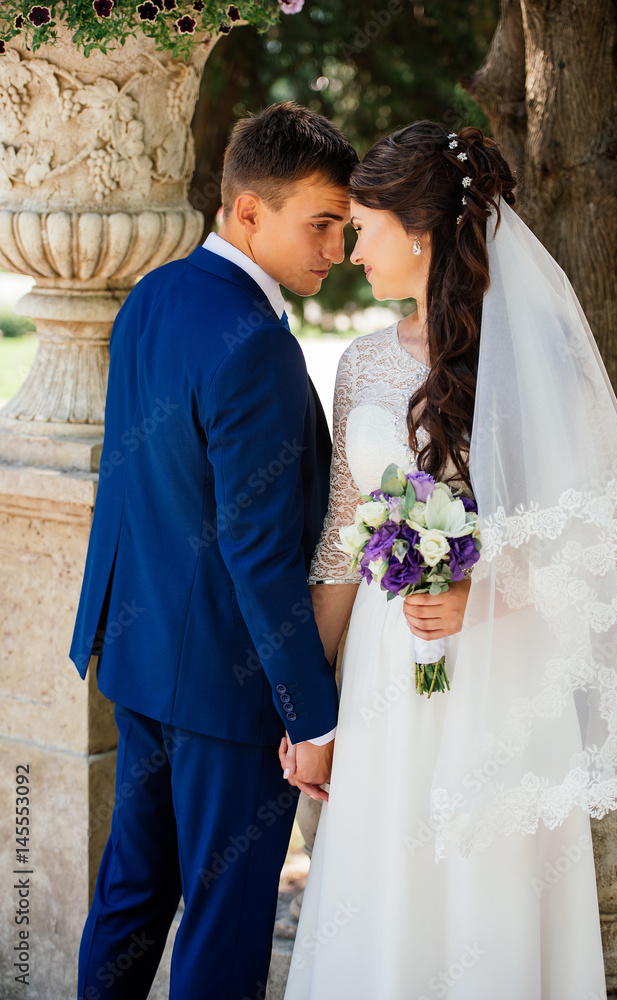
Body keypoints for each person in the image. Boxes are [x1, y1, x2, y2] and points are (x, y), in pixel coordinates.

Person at [282, 123, 617, 999]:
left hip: (504, 667)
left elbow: (604, 539)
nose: (352, 253)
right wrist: (308, 708)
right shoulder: (362, 365)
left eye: (364, 229)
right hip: (387, 673)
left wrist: (483, 594)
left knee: (489, 882)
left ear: (418, 231)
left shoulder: (538, 357)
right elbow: (340, 542)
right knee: (392, 878)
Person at [70, 102, 356, 1000]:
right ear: (249, 212)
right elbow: (258, 551)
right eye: (321, 224)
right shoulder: (259, 345)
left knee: (130, 897)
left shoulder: (153, 296)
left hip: (140, 661)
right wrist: (312, 716)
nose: (337, 249)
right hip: (228, 695)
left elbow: (145, 484)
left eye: (345, 227)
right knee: (224, 932)